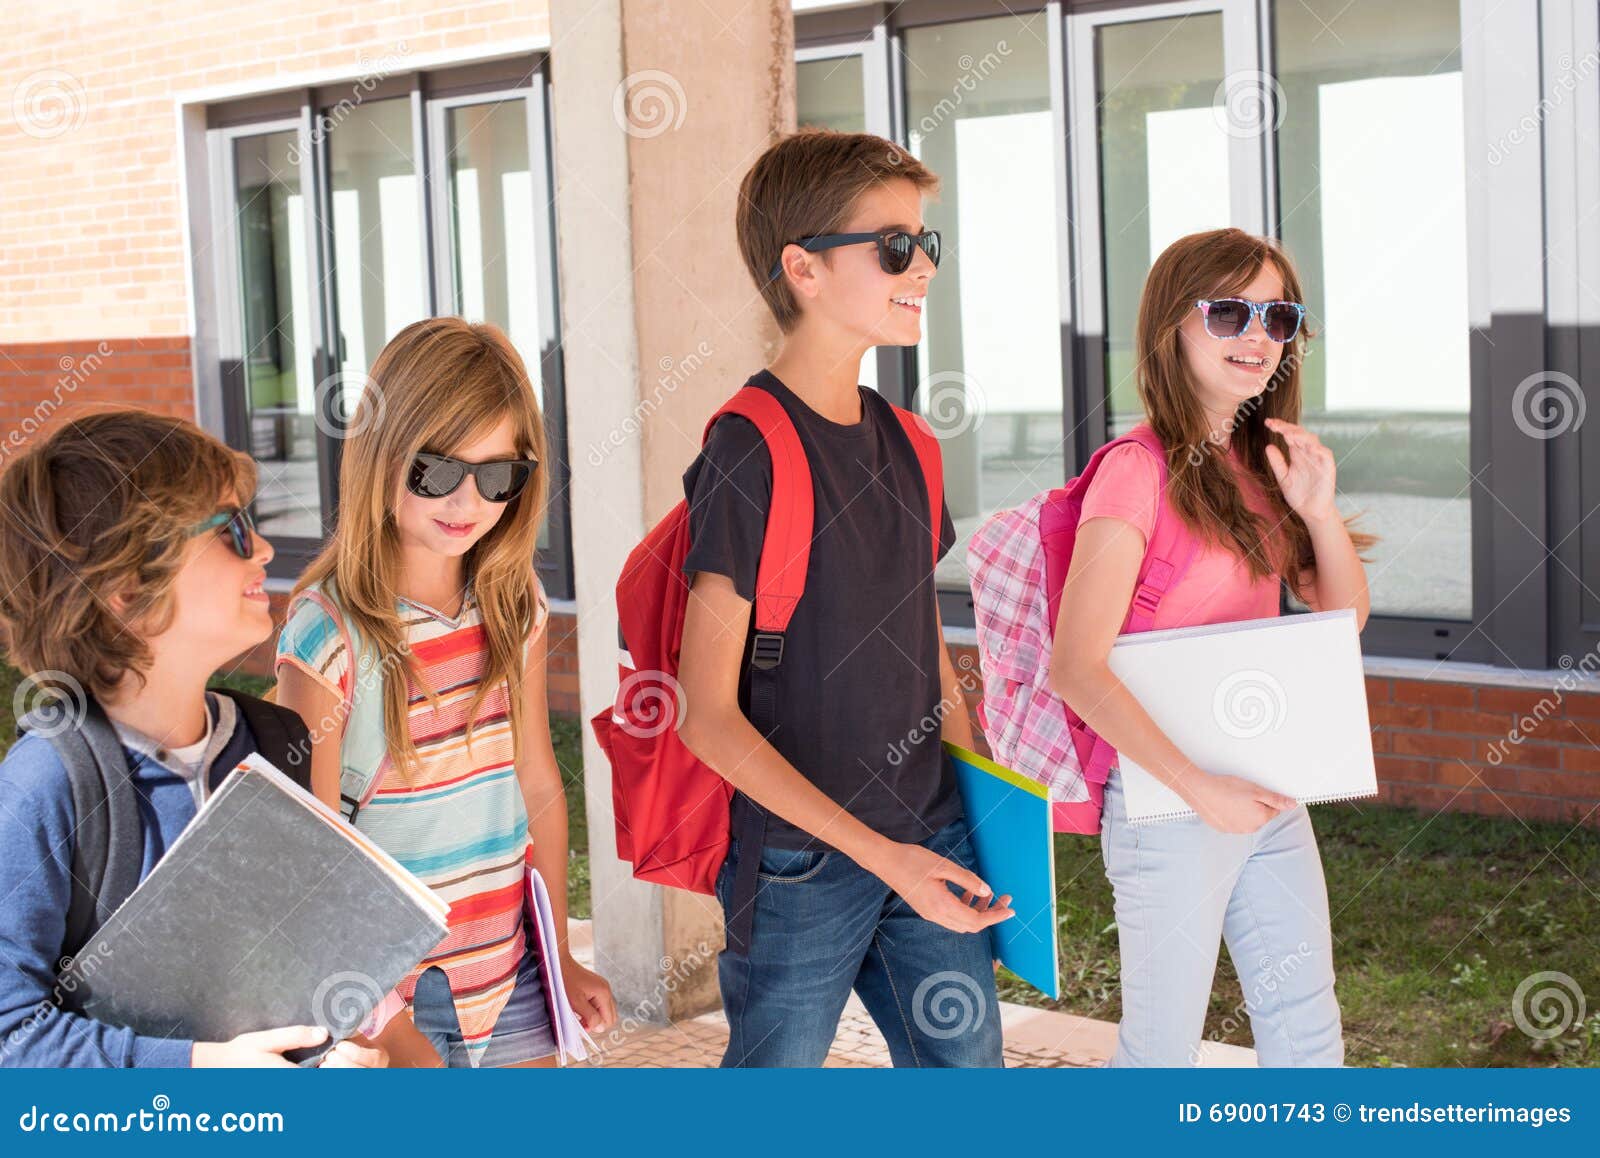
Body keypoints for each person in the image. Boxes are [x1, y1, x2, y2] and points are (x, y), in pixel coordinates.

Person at [675, 129, 1012, 1068]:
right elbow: (704, 715)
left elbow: (922, 642)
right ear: (804, 269)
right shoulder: (748, 450)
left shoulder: (912, 443)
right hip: (801, 863)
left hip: (930, 830)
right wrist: (880, 853)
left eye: (926, 246)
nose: (923, 269)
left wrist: (981, 805)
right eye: (895, 247)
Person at [1051, 228, 1372, 1066]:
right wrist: (1201, 790)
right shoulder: (1136, 470)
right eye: (1228, 313)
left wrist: (1318, 512)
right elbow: (1077, 665)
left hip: (1270, 787)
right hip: (1169, 802)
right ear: (1172, 330)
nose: (1257, 335)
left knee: (1306, 1024)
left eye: (1277, 315)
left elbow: (1344, 624)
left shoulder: (1266, 465)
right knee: (1161, 1053)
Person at [275, 317, 615, 1068]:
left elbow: (537, 785)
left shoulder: (514, 602)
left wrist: (560, 952)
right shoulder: (327, 634)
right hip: (392, 995)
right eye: (437, 471)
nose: (468, 500)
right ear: (380, 457)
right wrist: (388, 1028)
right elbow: (312, 854)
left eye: (498, 477)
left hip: (512, 970)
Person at [0, 408, 384, 1068]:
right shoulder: (44, 788)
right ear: (125, 588)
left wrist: (328, 1045)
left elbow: (289, 970)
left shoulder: (278, 741)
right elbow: (12, 1038)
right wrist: (202, 1069)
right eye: (232, 529)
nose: (262, 550)